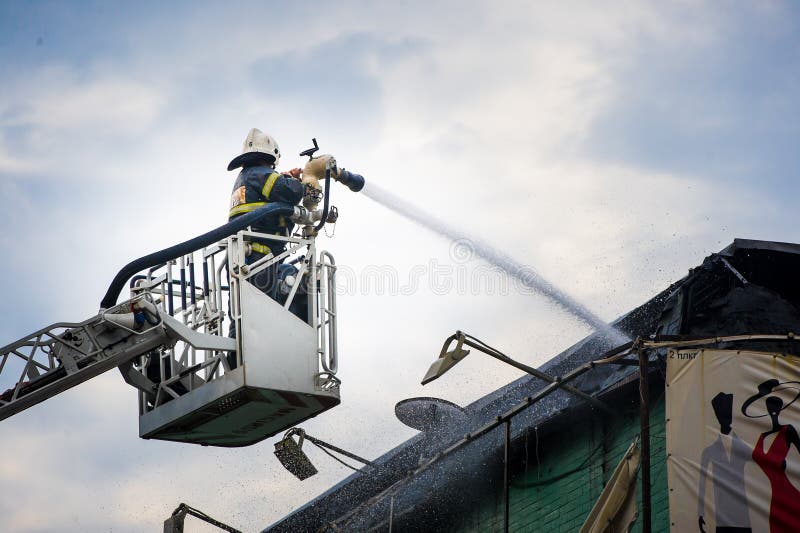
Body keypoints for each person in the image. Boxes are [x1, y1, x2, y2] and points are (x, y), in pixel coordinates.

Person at [227, 127, 304, 299]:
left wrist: (286, 177)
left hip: (243, 260)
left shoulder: (245, 178)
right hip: (259, 259)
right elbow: (290, 192)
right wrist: (298, 182)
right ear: (271, 157)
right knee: (262, 309)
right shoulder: (258, 174)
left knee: (243, 311)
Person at [697, 392, 752, 533]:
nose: (726, 419)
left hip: (743, 516)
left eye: (727, 415)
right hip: (722, 516)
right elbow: (702, 483)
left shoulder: (743, 447)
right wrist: (701, 513)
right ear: (718, 417)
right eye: (722, 415)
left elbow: (760, 466)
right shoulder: (709, 451)